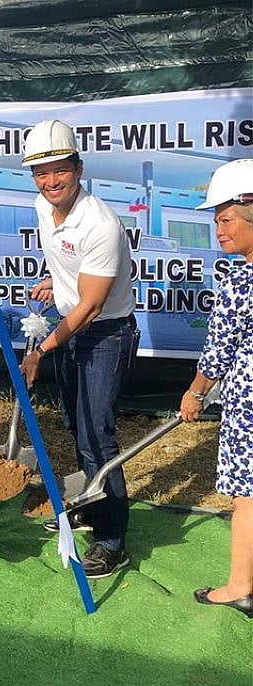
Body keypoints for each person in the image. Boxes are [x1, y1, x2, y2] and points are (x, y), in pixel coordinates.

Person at [19, 119, 138, 580]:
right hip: (74, 329)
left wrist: (40, 350)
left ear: (78, 167)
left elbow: (90, 307)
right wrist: (56, 282)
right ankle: (91, 505)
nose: (50, 181)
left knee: (98, 437)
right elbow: (72, 273)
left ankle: (112, 540)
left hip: (105, 335)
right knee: (75, 425)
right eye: (40, 172)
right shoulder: (41, 206)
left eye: (59, 170)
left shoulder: (101, 224)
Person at [179, 159, 253, 618]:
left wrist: (194, 394)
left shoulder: (241, 282)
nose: (218, 229)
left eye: (225, 219)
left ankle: (240, 586)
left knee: (248, 498)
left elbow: (218, 353)